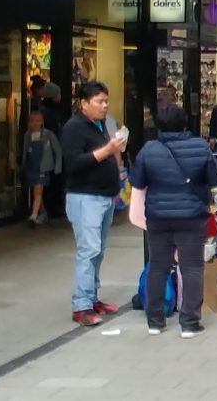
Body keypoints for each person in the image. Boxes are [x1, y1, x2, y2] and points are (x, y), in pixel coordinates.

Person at [131, 105, 217, 339]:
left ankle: (155, 321)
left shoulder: (149, 149)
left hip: (158, 216)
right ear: (185, 123)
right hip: (192, 216)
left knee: (158, 266)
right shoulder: (199, 146)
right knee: (191, 267)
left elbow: (138, 182)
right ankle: (190, 323)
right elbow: (215, 178)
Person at [61, 81, 127, 327]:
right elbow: (74, 164)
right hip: (85, 197)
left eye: (106, 101)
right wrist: (107, 151)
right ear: (84, 103)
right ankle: (81, 305)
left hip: (104, 196)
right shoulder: (74, 128)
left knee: (98, 251)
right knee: (88, 251)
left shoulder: (100, 125)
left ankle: (92, 297)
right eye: (99, 102)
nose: (104, 106)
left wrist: (117, 184)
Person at [21, 109, 63, 226]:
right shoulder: (27, 136)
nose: (35, 123)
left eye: (38, 121)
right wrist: (22, 165)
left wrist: (57, 167)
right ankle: (42, 212)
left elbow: (58, 150)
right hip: (31, 167)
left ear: (42, 122)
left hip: (42, 168)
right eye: (32, 121)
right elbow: (25, 152)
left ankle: (33, 215)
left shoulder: (48, 135)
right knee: (36, 192)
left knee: (38, 191)